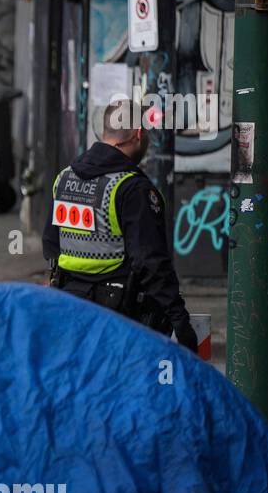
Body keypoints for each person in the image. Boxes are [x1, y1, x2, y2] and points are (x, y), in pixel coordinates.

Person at [44, 101, 198, 352]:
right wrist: (179, 319)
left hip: (70, 305)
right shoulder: (132, 188)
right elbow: (151, 262)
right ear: (138, 133)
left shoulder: (64, 178)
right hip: (120, 315)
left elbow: (51, 245)